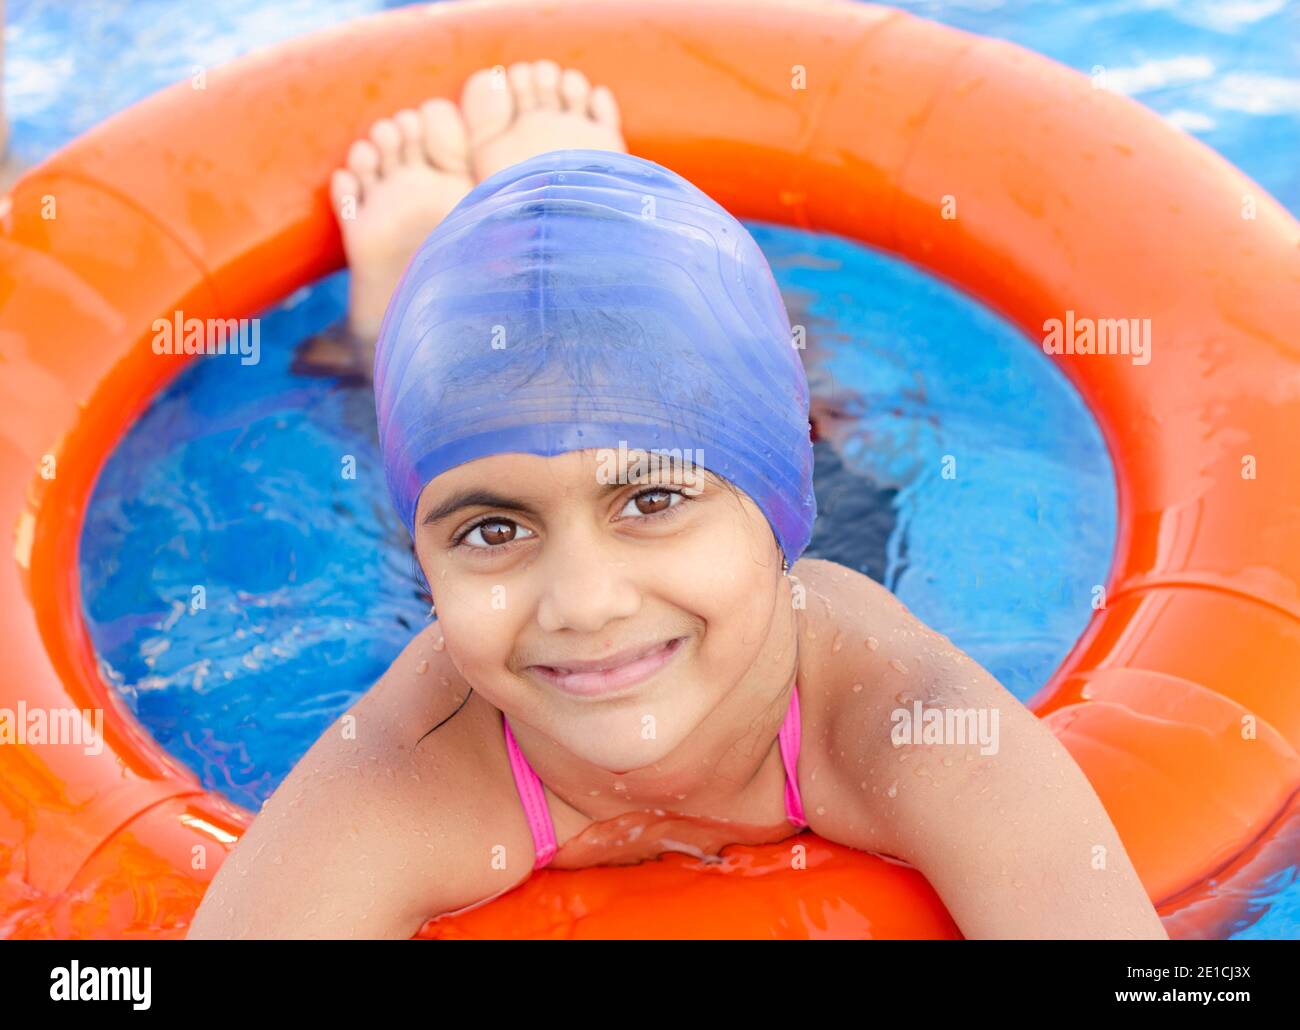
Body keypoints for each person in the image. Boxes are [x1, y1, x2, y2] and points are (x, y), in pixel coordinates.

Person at [188, 60, 1168, 941]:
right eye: (490, 528)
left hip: (789, 569)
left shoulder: (898, 720)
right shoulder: (417, 767)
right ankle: (407, 315)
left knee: (808, 417)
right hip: (585, 617)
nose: (587, 602)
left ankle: (562, 236)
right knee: (452, 446)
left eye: (651, 500)